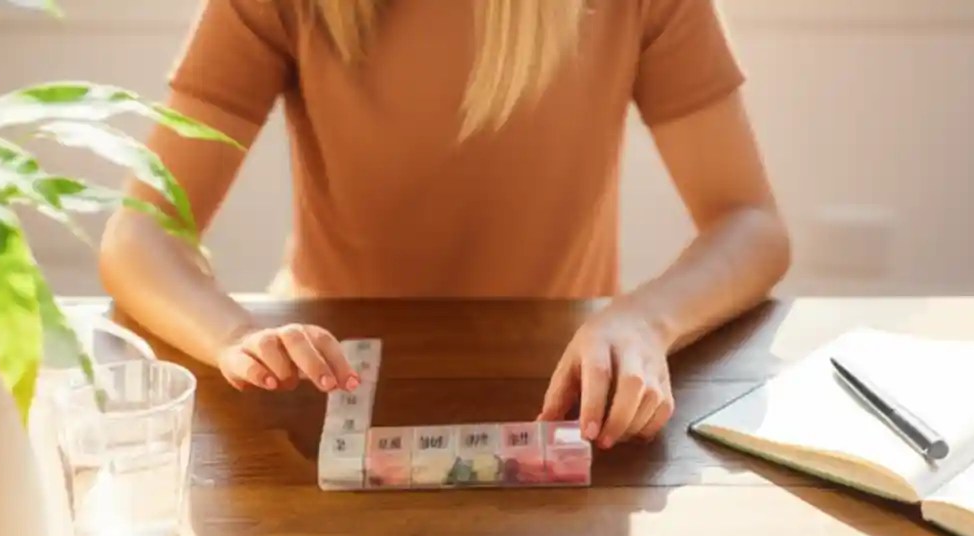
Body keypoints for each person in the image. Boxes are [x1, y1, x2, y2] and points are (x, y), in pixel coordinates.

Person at [99, 0, 791, 449]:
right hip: (324, 404)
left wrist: (646, 321)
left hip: (557, 393)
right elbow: (140, 235)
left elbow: (750, 223)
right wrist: (236, 336)